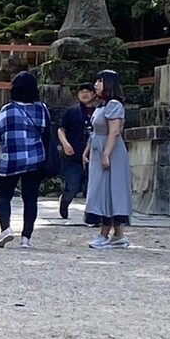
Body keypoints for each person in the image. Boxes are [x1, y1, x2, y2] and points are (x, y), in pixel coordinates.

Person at [0, 71, 51, 251]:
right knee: (30, 198)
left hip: (12, 159)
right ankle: (26, 238)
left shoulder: (7, 109)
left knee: (4, 195)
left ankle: (5, 229)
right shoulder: (42, 109)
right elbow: (46, 132)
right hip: (35, 159)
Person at [84, 69, 133, 249]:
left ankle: (104, 233)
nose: (96, 85)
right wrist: (88, 150)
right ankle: (118, 234)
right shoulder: (102, 106)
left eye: (100, 81)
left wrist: (106, 153)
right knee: (104, 190)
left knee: (108, 191)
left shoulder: (114, 105)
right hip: (99, 149)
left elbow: (114, 131)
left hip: (110, 151)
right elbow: (96, 131)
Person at [57, 83, 96, 219]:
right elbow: (61, 129)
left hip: (94, 154)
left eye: (88, 91)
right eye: (82, 91)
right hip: (74, 154)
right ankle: (65, 201)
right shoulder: (71, 112)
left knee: (93, 186)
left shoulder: (99, 111)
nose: (84, 94)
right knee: (73, 185)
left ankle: (93, 214)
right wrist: (65, 143)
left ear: (94, 94)